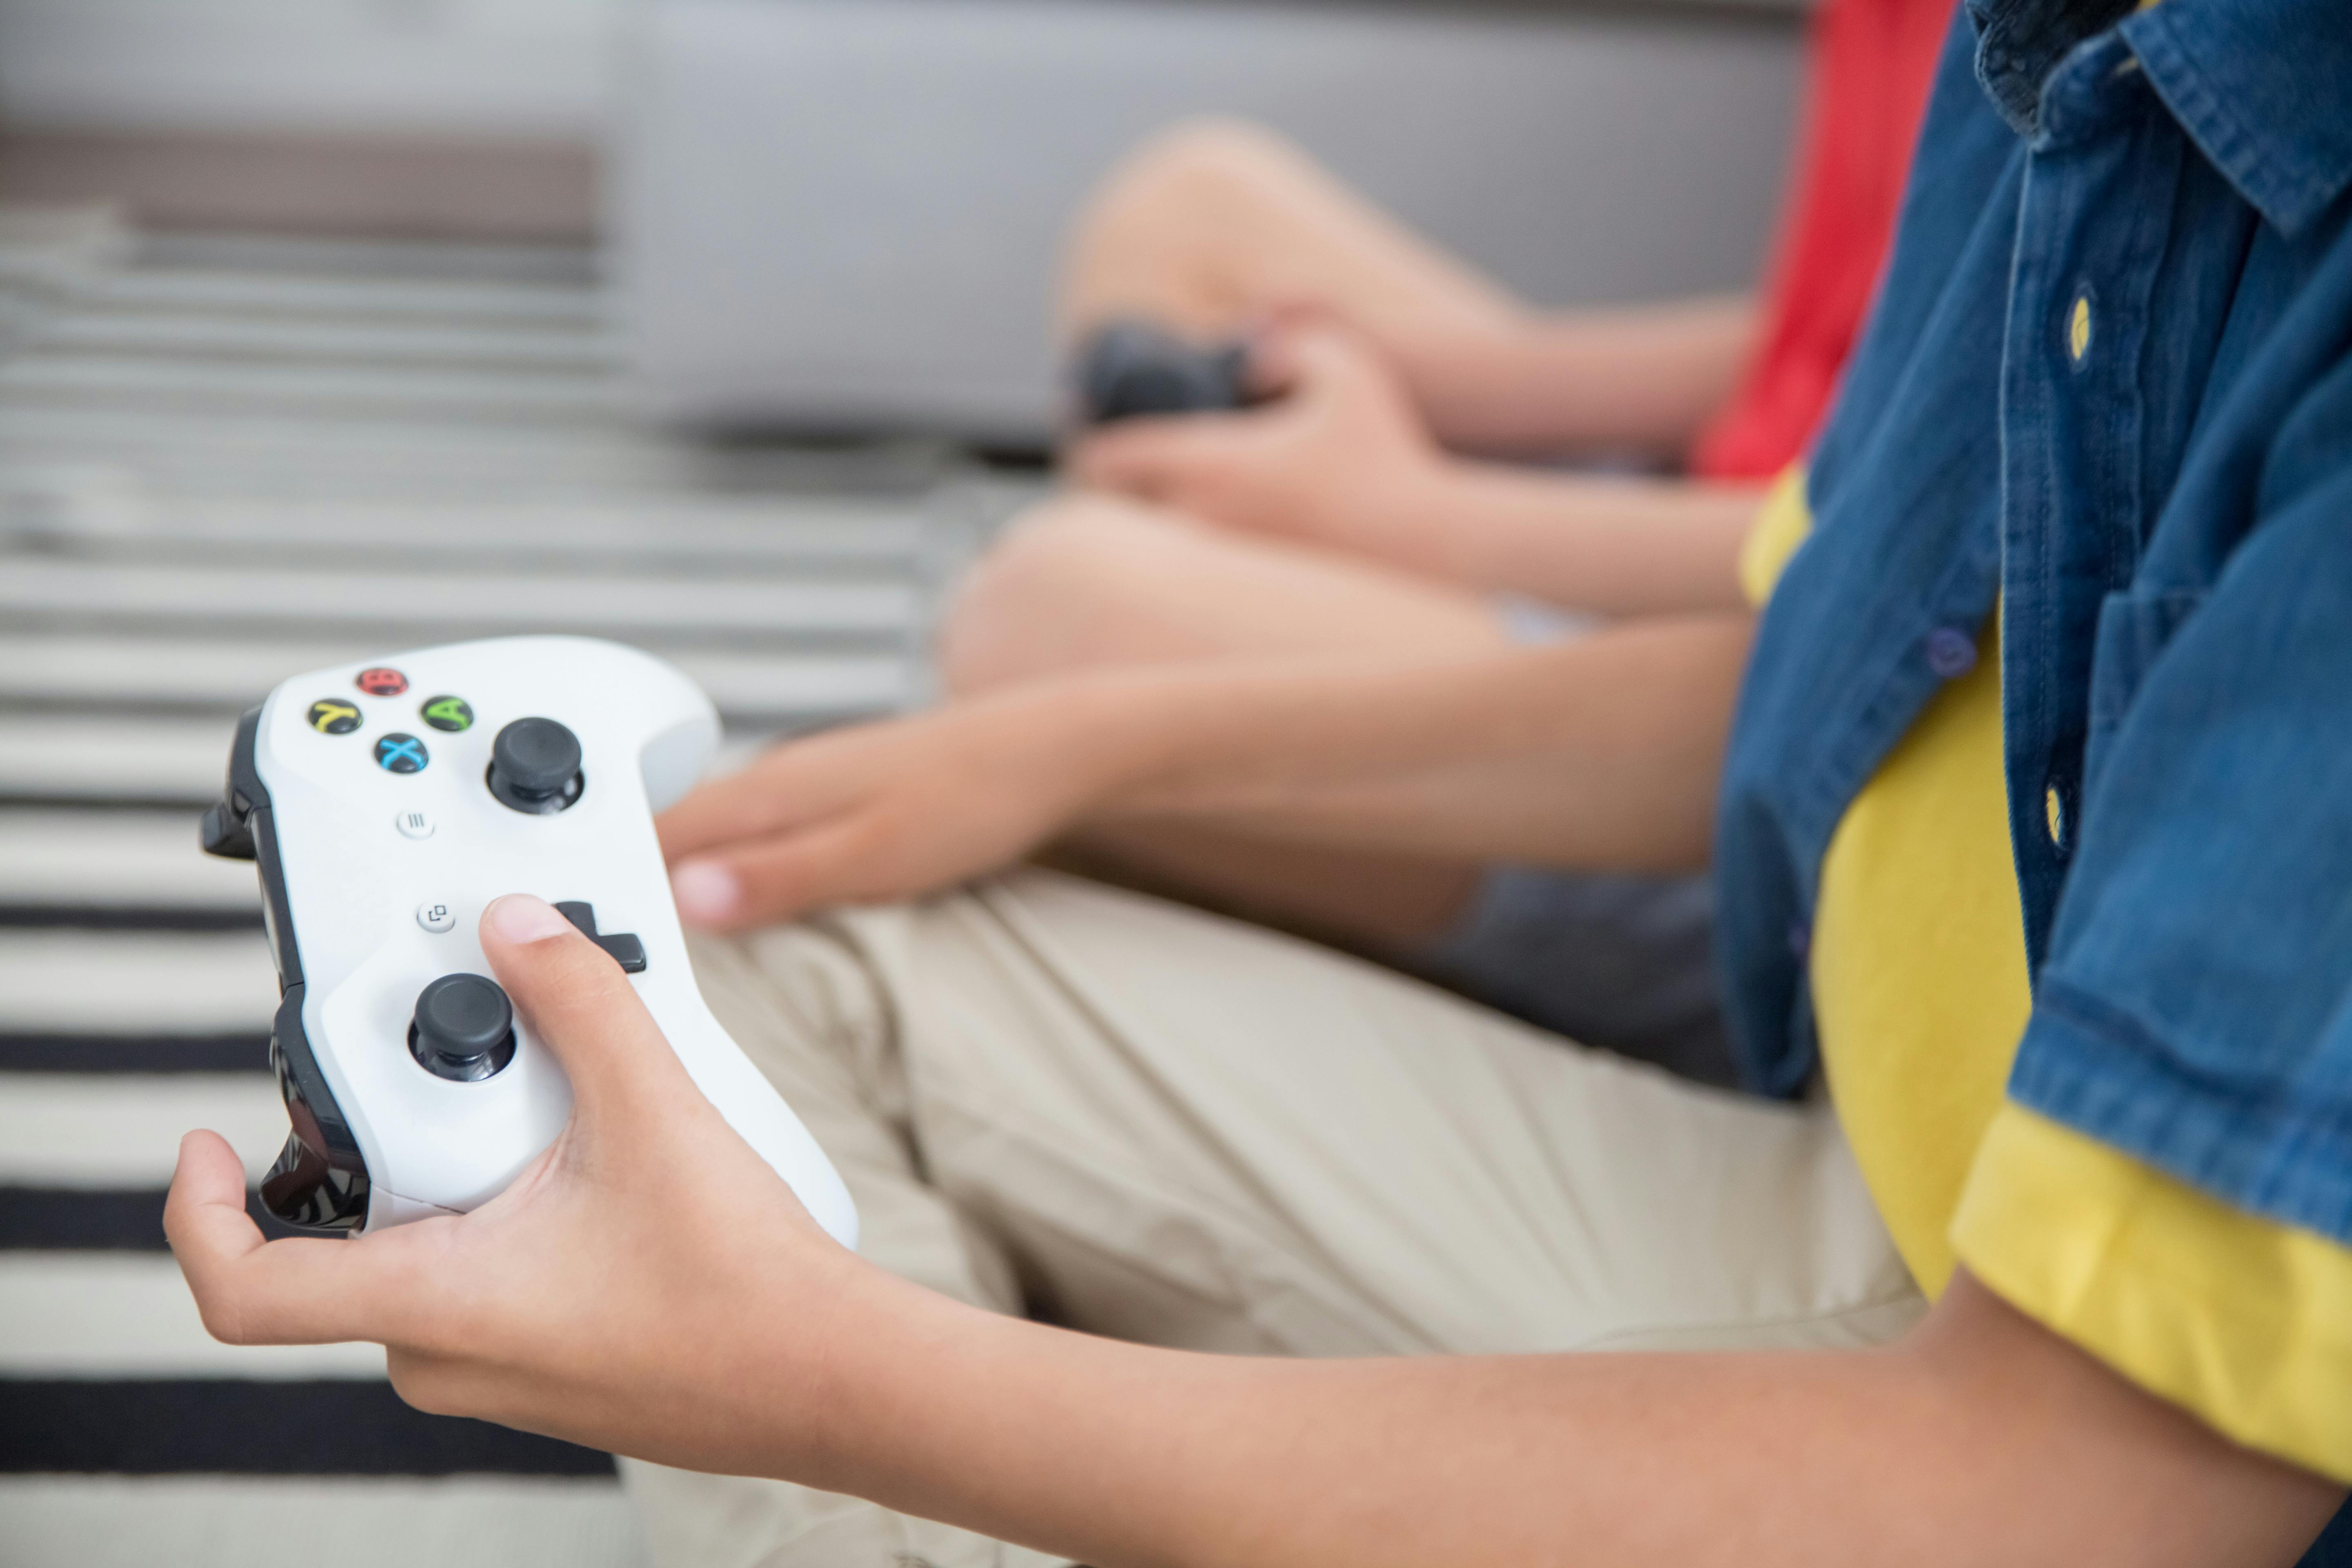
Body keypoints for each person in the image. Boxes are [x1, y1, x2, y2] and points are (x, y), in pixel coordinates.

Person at [168, 2, 2352, 1566]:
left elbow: (2063, 1495)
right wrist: (1053, 758)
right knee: (758, 979)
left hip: (1984, 1417)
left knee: (740, 1234)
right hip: (1871, 1180)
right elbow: (1824, 682)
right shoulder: (2082, 54)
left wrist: (818, 1375)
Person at [936, 0, 1954, 1080]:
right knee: (1190, 216)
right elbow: (1863, 334)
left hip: (1828, 744)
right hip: (1738, 512)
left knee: (1048, 617)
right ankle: (1238, 786)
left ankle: (1213, 798)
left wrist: (1406, 514)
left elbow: (1915, 553)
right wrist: (1416, 381)